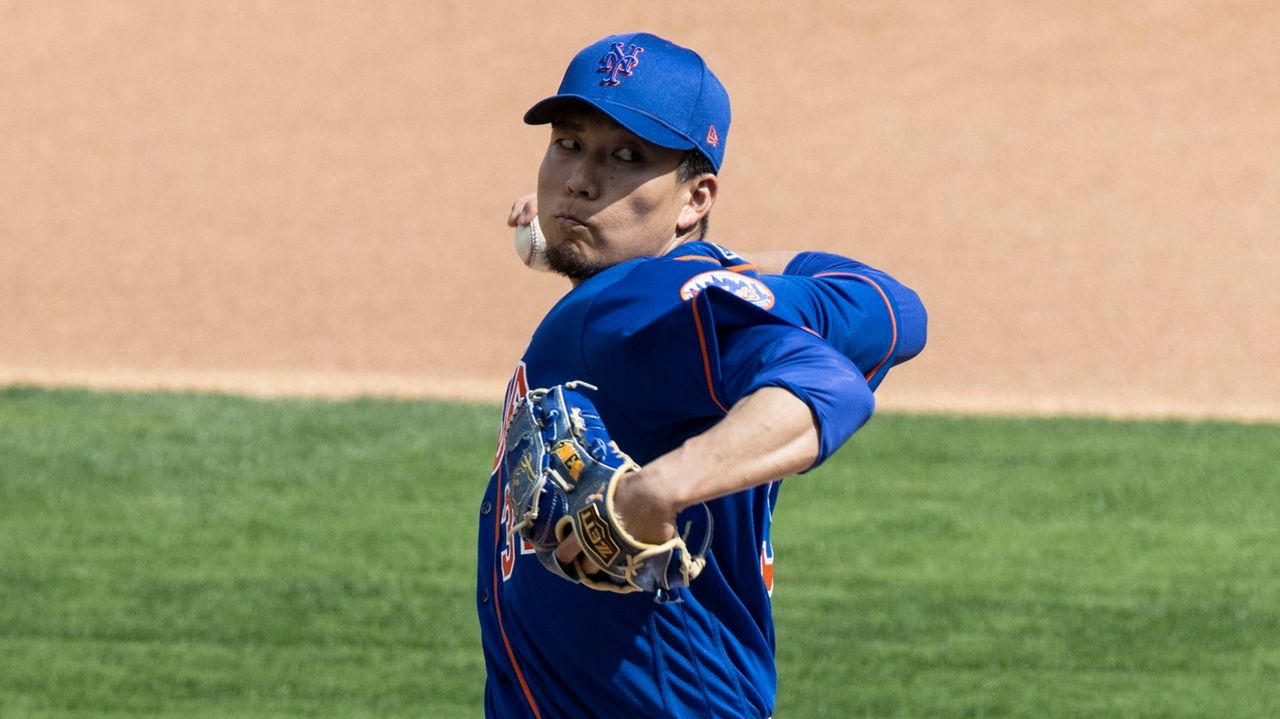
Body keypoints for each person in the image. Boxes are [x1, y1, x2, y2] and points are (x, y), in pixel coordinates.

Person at [476, 32, 927, 718]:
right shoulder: (674, 297)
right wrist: (712, 264)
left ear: (694, 198)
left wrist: (656, 490)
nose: (578, 179)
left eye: (627, 158)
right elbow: (894, 307)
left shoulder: (631, 308)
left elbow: (828, 384)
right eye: (569, 143)